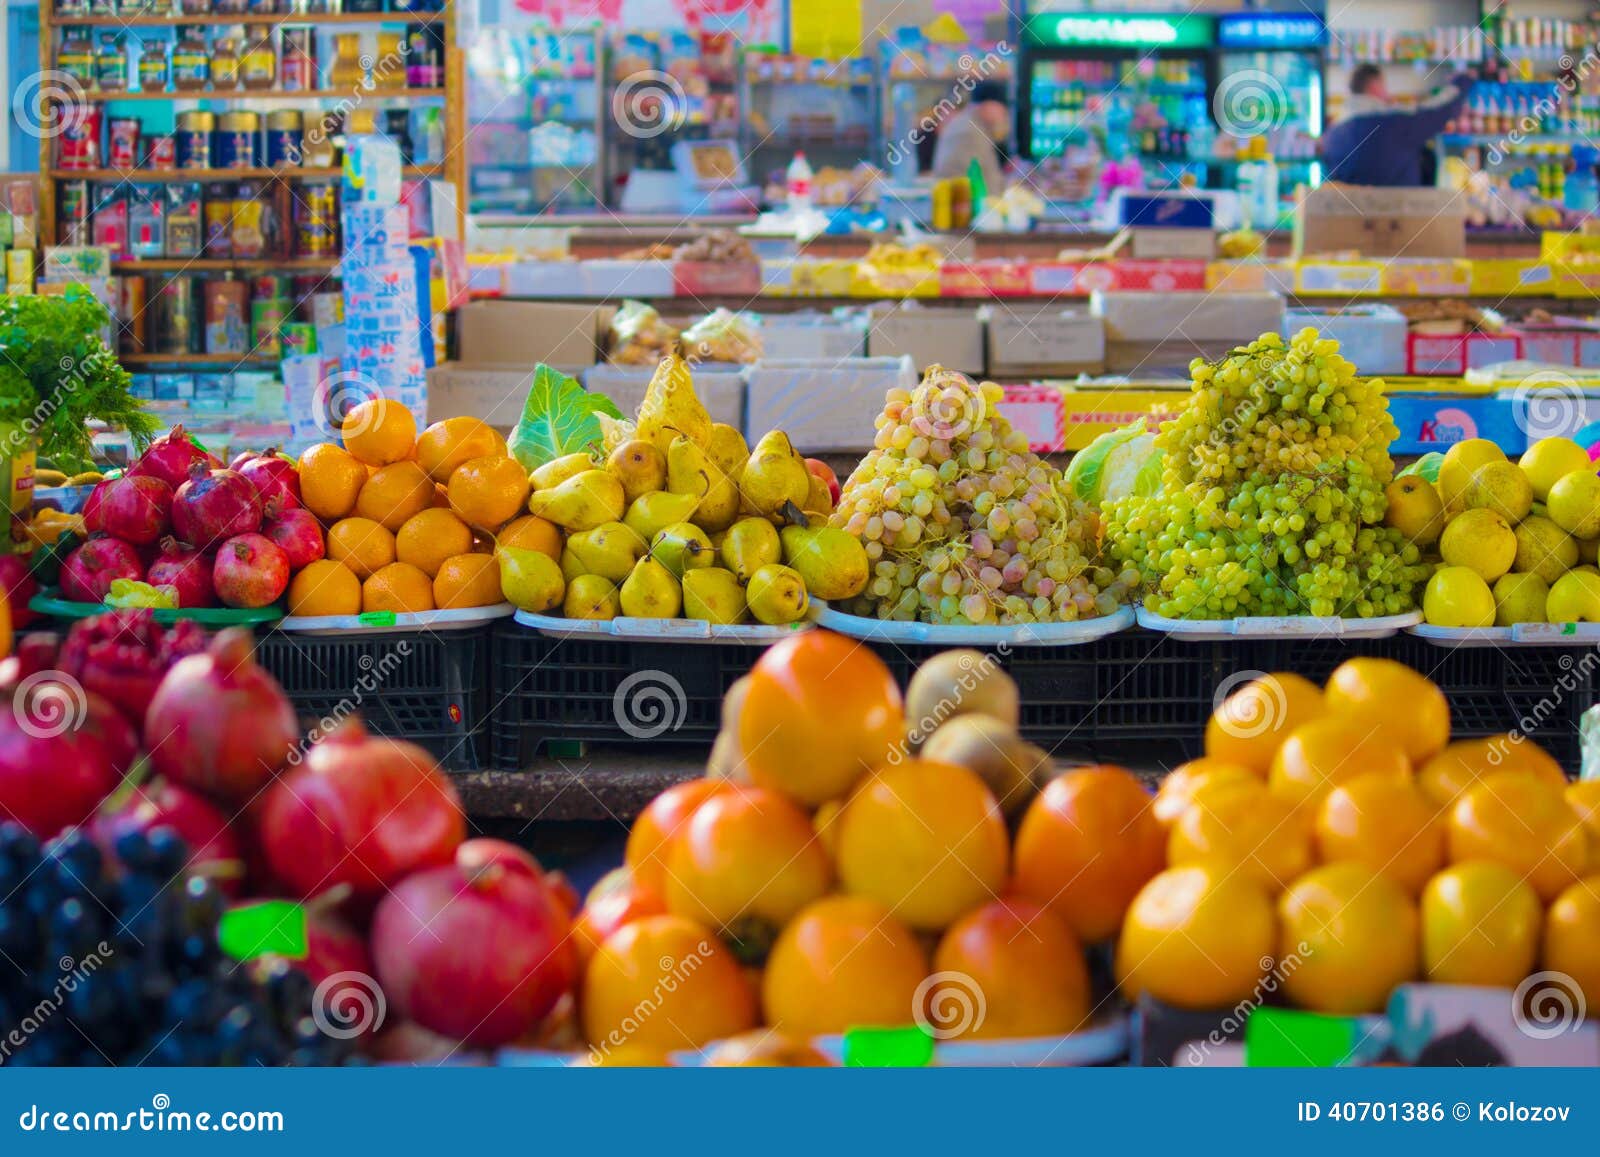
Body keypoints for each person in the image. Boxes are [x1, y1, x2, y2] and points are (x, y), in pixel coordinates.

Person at [1320, 63, 1476, 186]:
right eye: (1384, 86)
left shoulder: (1332, 134)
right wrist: (1463, 81)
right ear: (1374, 86)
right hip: (1398, 213)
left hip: (1347, 215)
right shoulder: (1394, 122)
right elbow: (1442, 109)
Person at [932, 78, 1009, 191]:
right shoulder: (968, 132)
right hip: (960, 199)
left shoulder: (972, 124)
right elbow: (978, 184)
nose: (1003, 115)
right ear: (989, 105)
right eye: (1002, 108)